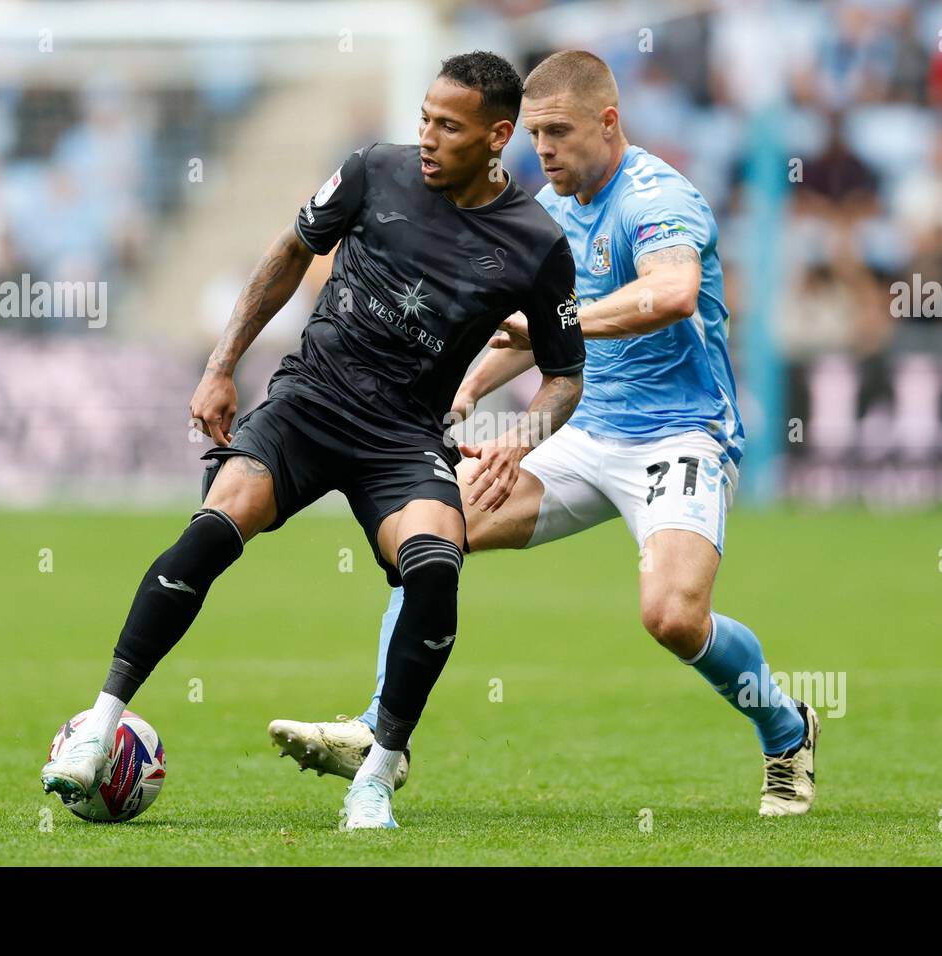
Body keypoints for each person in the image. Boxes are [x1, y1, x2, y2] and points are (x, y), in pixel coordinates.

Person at [40, 50, 586, 830]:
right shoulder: (373, 171)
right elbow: (290, 251)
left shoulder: (536, 243)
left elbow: (566, 373)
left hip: (401, 438)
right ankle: (98, 725)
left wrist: (521, 436)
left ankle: (376, 772)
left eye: (449, 126)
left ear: (499, 136)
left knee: (435, 566)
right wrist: (221, 365)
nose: (427, 136)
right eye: (425, 118)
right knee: (216, 525)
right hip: (309, 404)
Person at [269, 50, 819, 818]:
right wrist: (464, 395)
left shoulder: (659, 197)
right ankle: (378, 736)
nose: (545, 150)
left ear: (609, 121)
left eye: (559, 132)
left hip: (678, 437)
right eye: (534, 134)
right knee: (433, 530)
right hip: (584, 430)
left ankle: (787, 727)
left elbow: (670, 292)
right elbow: (524, 337)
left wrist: (554, 325)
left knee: (673, 617)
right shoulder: (550, 212)